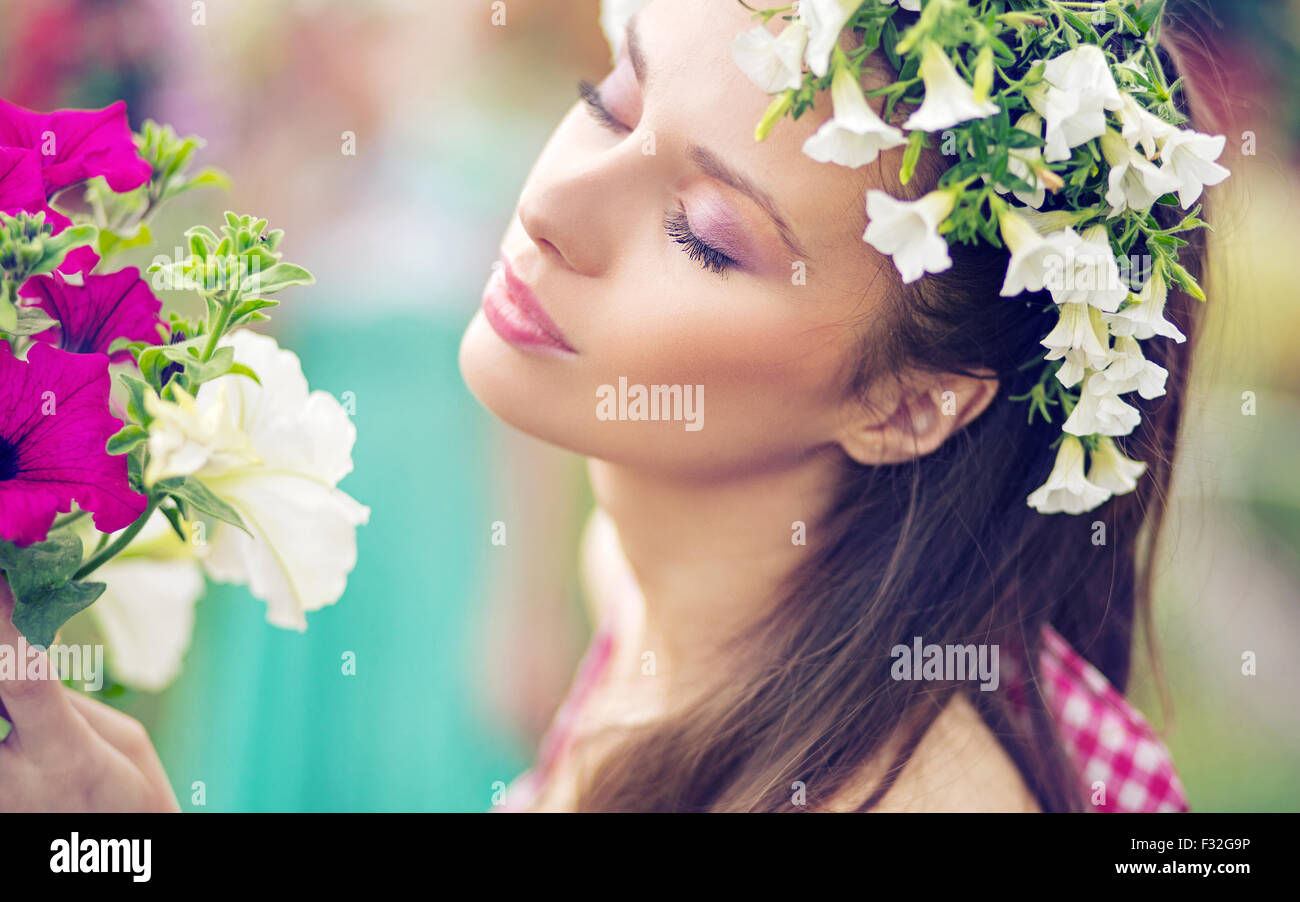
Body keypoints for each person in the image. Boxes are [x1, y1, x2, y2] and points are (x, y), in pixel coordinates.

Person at [0, 0, 1212, 813]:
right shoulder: (642, 588)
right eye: (608, 103)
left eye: (706, 234)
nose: (554, 207)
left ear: (907, 403)